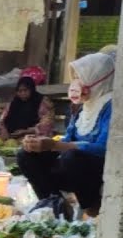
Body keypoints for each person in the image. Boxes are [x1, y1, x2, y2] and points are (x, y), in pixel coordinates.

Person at [16, 51, 114, 218]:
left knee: (71, 156)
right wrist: (41, 143)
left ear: (98, 79)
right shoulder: (84, 108)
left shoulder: (111, 106)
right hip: (71, 167)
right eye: (74, 78)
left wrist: (58, 145)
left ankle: (91, 206)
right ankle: (54, 204)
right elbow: (68, 138)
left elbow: (104, 148)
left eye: (80, 78)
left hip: (95, 172)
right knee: (25, 155)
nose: (76, 83)